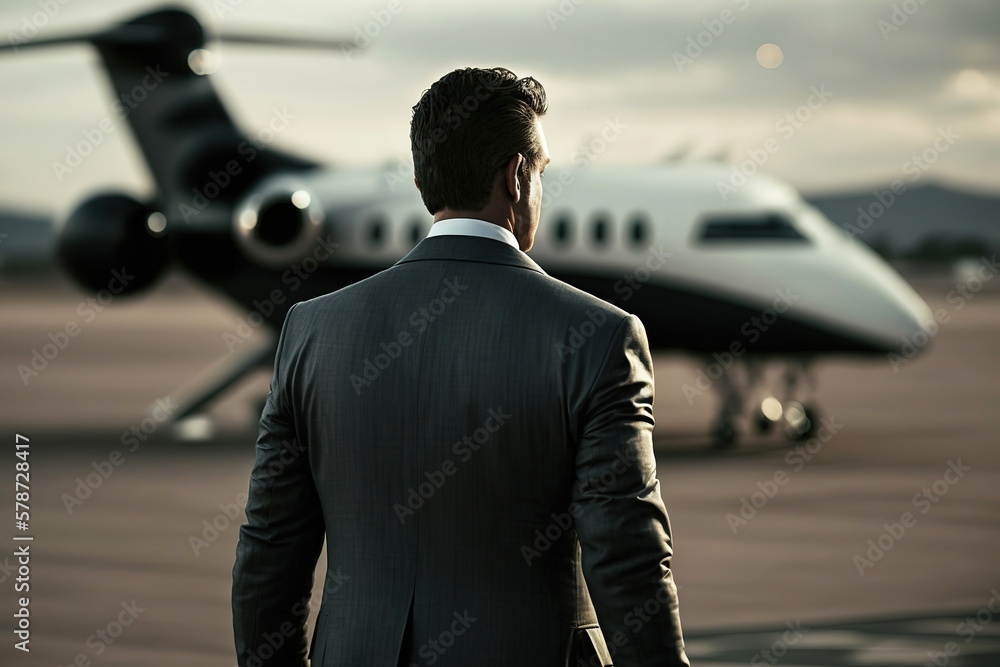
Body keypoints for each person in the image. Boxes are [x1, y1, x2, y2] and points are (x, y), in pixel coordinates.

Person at [232, 66, 690, 667]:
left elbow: (269, 551)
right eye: (542, 171)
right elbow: (626, 554)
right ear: (517, 176)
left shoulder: (312, 330)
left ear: (424, 179)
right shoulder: (601, 337)